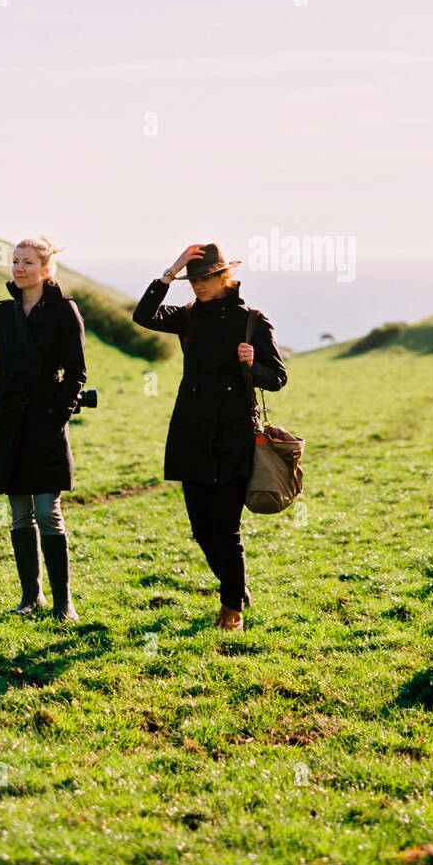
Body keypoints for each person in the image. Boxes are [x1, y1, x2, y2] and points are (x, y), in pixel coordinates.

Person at [133, 243, 287, 631]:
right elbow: (143, 315)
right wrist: (170, 271)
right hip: (191, 431)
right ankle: (236, 588)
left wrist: (252, 363)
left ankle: (231, 608)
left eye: (205, 278)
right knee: (201, 529)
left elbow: (278, 378)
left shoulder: (253, 320)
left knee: (225, 527)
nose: (198, 286)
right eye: (193, 279)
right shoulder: (187, 318)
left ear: (225, 277)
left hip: (235, 433)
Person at [0, 236, 87, 622]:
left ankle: (64, 603)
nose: (19, 268)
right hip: (6, 422)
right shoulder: (3, 314)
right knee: (20, 513)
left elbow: (77, 374)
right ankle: (31, 597)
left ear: (46, 269)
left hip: (44, 419)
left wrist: (57, 415)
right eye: (15, 261)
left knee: (47, 510)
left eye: (27, 262)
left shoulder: (65, 311)